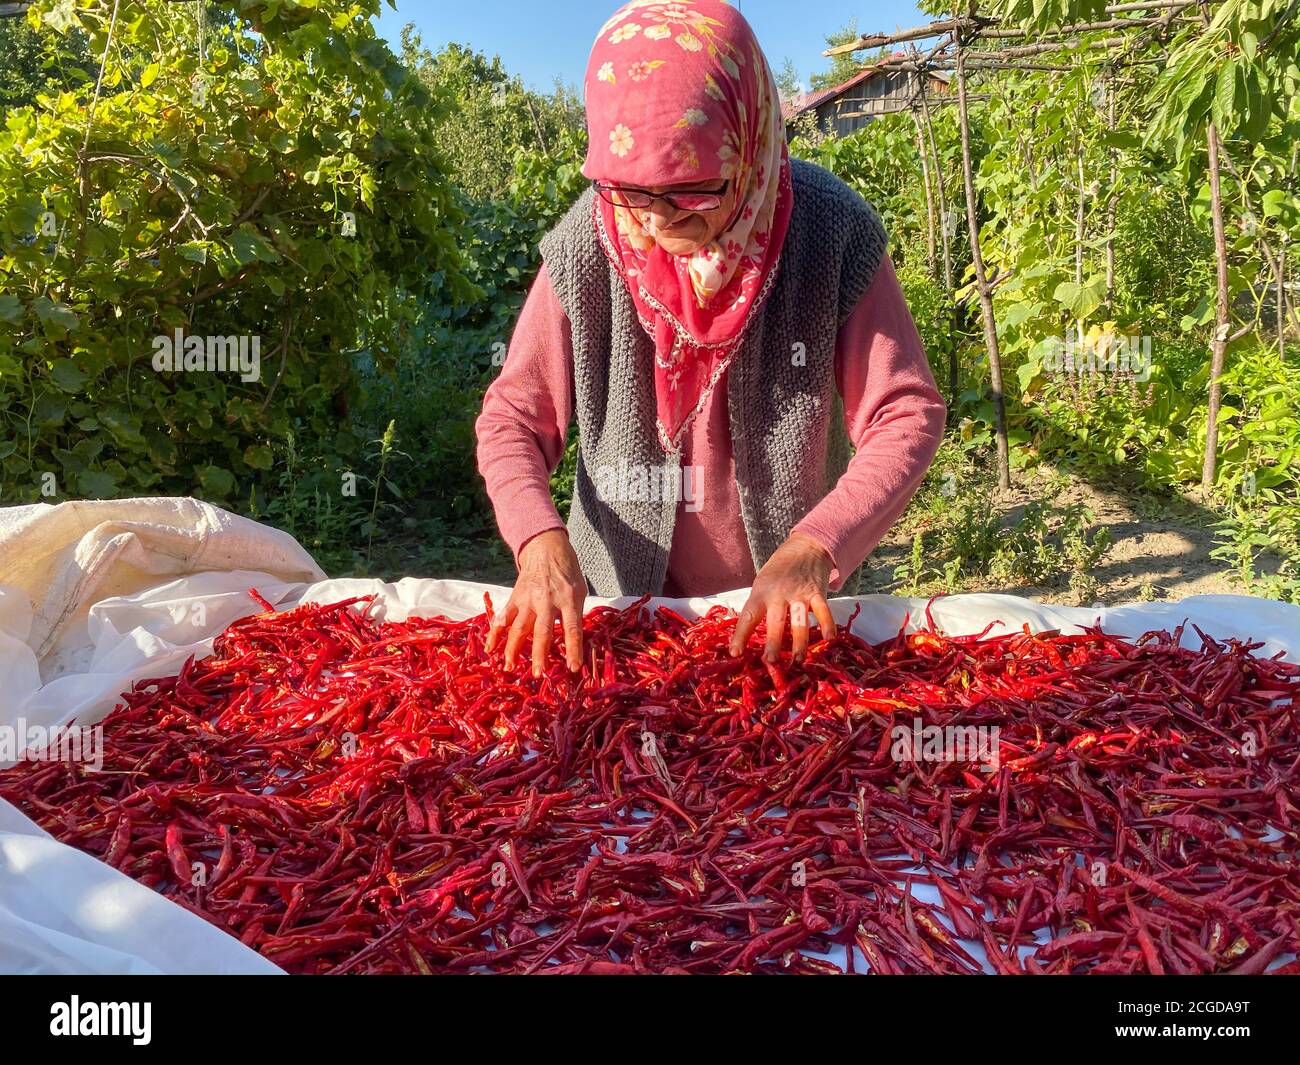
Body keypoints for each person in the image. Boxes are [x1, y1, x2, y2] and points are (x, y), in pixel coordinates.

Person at [476, 0, 946, 676]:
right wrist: (539, 540)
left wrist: (817, 544)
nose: (660, 222)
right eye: (632, 191)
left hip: (780, 616)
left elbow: (905, 411)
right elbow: (513, 417)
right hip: (618, 612)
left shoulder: (829, 231)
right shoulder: (592, 240)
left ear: (749, 145)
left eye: (693, 190)